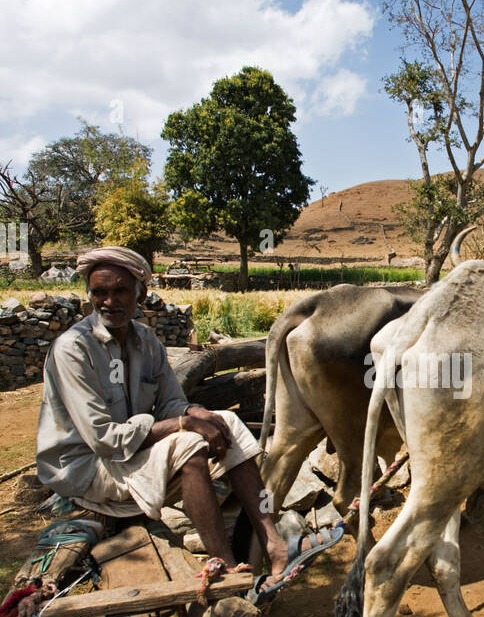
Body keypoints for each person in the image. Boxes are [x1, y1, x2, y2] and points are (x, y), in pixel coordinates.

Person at [35, 245, 339, 586]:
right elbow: (104, 439)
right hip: (88, 468)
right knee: (189, 445)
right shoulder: (73, 349)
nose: (109, 301)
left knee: (229, 423)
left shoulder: (146, 341)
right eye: (99, 292)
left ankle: (274, 544)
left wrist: (196, 413)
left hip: (127, 454)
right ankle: (224, 564)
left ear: (141, 292)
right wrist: (184, 423)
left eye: (120, 290)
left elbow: (170, 403)